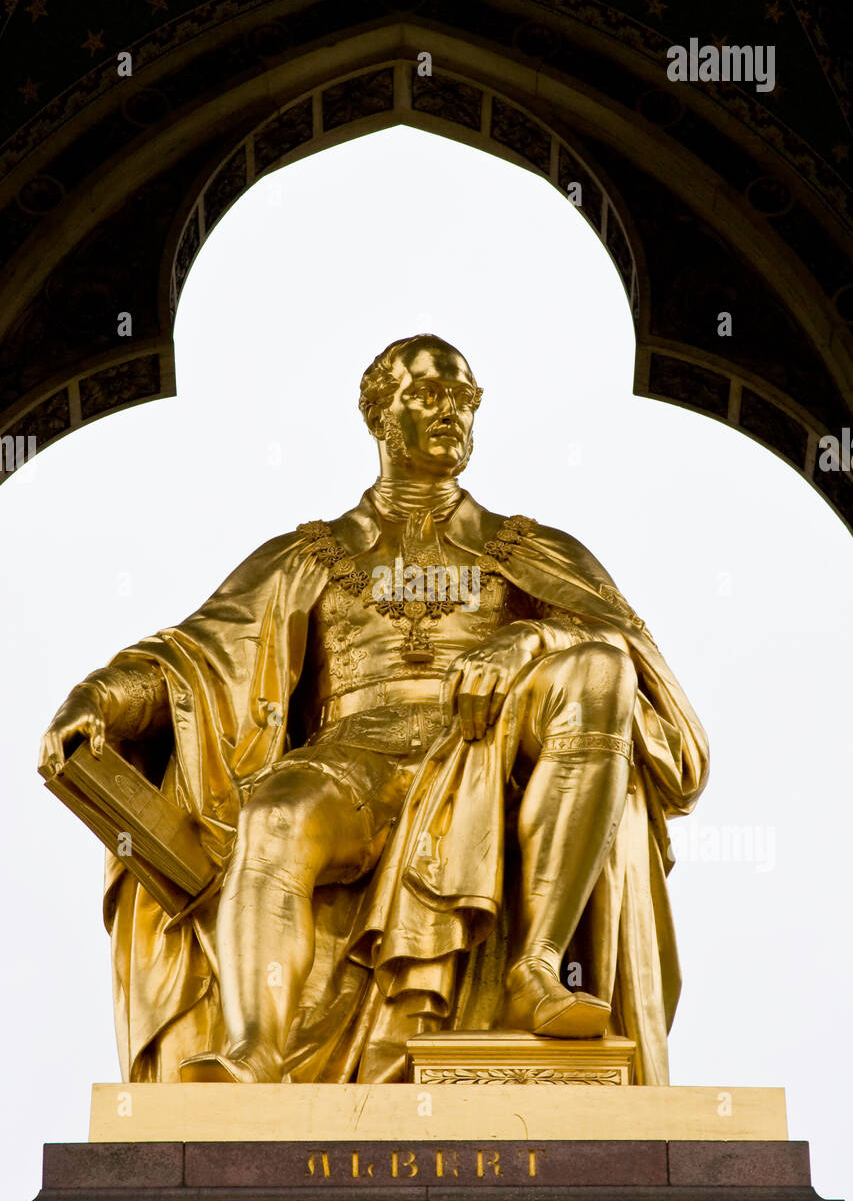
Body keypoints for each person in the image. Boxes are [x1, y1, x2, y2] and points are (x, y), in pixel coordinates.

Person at [39, 335, 708, 1084]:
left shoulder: (531, 549)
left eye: (464, 399)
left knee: (598, 667)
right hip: (351, 758)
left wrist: (527, 641)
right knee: (276, 816)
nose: (451, 412)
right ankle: (255, 1048)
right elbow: (193, 655)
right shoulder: (311, 555)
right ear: (378, 416)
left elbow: (630, 653)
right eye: (427, 395)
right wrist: (95, 698)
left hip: (485, 753)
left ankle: (537, 969)